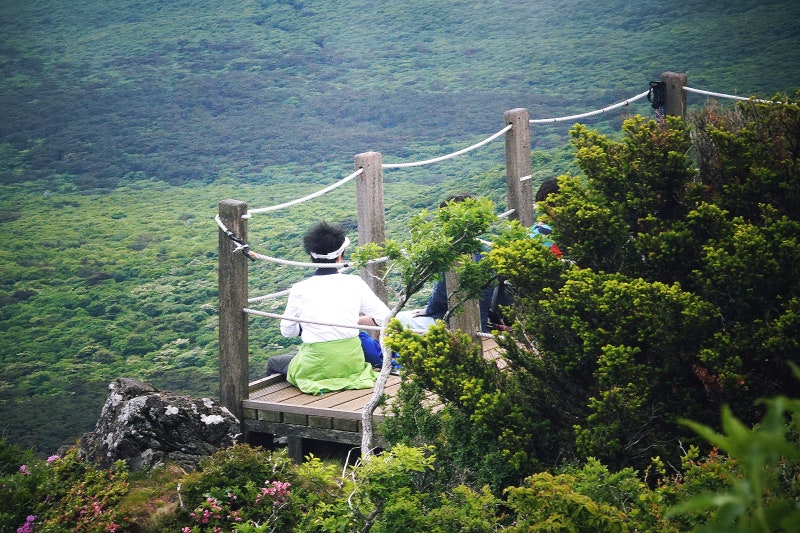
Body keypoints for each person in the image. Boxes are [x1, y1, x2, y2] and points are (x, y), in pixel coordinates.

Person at [265, 222, 390, 394]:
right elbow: (385, 317)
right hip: (350, 364)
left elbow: (288, 332)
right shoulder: (354, 283)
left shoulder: (299, 289)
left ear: (311, 256)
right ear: (340, 256)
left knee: (275, 362)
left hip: (315, 366)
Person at [396, 194, 494, 332]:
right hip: (481, 321)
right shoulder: (487, 251)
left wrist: (429, 310)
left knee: (394, 320)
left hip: (452, 323)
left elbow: (442, 294)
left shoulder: (452, 253)